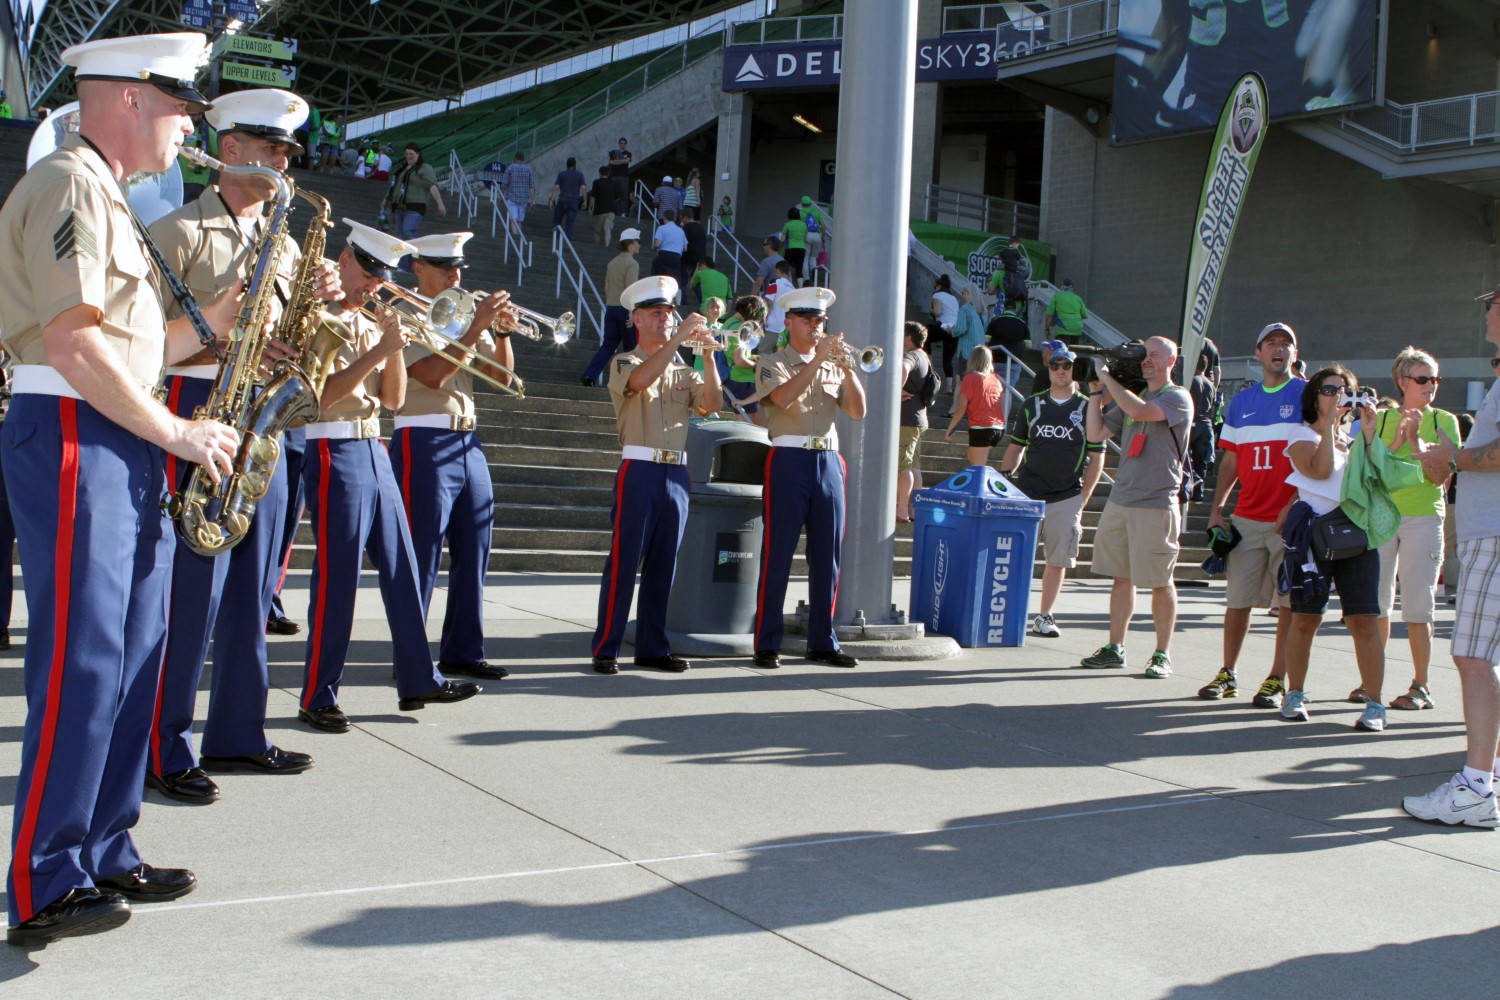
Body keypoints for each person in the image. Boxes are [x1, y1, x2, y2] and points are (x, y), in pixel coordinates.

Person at [1, 31, 244, 946]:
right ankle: (44, 876)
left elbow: (139, 347)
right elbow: (71, 343)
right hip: (76, 427)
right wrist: (177, 429)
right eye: (182, 105)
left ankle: (104, 845)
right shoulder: (70, 182)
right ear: (132, 98)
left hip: (121, 431)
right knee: (85, 658)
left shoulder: (109, 194)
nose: (189, 128)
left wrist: (220, 327)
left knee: (137, 649)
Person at [146, 88, 335, 804]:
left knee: (253, 588)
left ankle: (237, 733)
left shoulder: (284, 238)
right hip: (200, 408)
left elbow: (289, 336)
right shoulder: (178, 230)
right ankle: (165, 745)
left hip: (264, 417)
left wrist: (318, 302)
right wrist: (220, 341)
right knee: (194, 590)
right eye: (271, 149)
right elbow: (143, 345)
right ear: (229, 149)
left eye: (289, 152)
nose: (283, 162)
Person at [296, 220, 481, 733]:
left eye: (382, 278)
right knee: (338, 580)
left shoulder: (369, 320)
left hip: (374, 444)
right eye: (368, 272)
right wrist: (379, 351)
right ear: (345, 260)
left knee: (403, 569)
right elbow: (318, 398)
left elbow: (395, 400)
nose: (373, 286)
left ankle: (418, 677)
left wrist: (394, 343)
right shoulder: (317, 316)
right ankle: (318, 694)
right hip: (333, 443)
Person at [391, 232, 519, 685]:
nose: (456, 276)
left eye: (458, 268)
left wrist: (499, 332)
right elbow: (429, 374)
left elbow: (499, 374)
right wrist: (475, 328)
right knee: (421, 553)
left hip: (468, 441)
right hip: (422, 437)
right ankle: (410, 656)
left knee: (475, 549)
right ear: (418, 268)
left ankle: (464, 650)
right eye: (445, 267)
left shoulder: (464, 313)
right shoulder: (403, 312)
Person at [1278, 365, 1425, 730]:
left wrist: (1371, 436)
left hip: (1355, 535)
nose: (1338, 397)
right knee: (1305, 619)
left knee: (1364, 620)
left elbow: (1377, 479)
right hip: (1313, 538)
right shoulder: (1301, 433)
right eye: (1329, 391)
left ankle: (1375, 704)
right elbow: (1320, 471)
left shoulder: (1354, 436)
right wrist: (1329, 425)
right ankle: (1294, 693)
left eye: (1345, 391)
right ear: (1314, 396)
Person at [1402, 285, 1500, 826]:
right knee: (1486, 658)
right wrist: (1432, 455)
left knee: (1472, 656)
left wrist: (1455, 455)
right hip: (1489, 534)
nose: (1487, 310)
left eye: (1493, 302)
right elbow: (1446, 468)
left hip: (1494, 537)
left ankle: (1476, 788)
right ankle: (1487, 780)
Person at [591, 277, 720, 674]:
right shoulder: (623, 360)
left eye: (669, 312)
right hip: (640, 468)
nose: (666, 318)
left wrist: (710, 357)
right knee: (625, 562)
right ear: (636, 320)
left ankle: (652, 646)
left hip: (676, 470)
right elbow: (641, 381)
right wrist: (679, 337)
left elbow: (712, 404)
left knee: (665, 565)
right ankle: (606, 648)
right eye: (657, 313)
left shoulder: (683, 368)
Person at [752, 287, 868, 669]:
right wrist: (818, 359)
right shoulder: (772, 361)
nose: (815, 327)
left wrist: (848, 369)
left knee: (827, 557)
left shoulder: (833, 363)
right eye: (807, 320)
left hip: (829, 459)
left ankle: (822, 641)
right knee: (778, 554)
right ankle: (767, 642)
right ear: (788, 322)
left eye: (819, 321)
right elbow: (782, 399)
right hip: (788, 458)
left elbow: (857, 411)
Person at [1199, 322, 1305, 705]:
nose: (1279, 349)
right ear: (1258, 354)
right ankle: (1228, 672)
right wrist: (1217, 509)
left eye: (1285, 344)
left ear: (1295, 353)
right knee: (1237, 602)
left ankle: (1277, 677)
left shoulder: (1307, 395)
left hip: (1292, 521)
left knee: (1288, 605)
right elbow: (1230, 459)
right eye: (1271, 343)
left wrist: (1295, 505)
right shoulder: (1242, 401)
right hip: (1246, 516)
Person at [1082, 337, 1192, 678]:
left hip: (1156, 502)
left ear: (1172, 360)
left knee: (1161, 581)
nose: (1147, 359)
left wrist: (1110, 380)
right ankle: (1116, 647)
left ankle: (1162, 653)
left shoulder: (1177, 397)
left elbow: (1140, 413)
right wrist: (1096, 391)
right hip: (1122, 499)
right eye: (1145, 354)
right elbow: (1096, 432)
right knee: (1121, 578)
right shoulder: (1134, 396)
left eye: (1155, 354)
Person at [1371, 347, 1462, 711]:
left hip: (1424, 517)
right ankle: (1370, 680)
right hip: (1382, 518)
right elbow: (1371, 469)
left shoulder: (1445, 421)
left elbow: (1441, 476)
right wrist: (1397, 439)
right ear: (1402, 381)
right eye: (1423, 379)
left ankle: (1421, 685)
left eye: (1435, 379)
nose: (1431, 386)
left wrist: (1413, 441)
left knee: (1418, 606)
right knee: (1376, 604)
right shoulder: (1379, 419)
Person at [1001, 344, 1105, 637]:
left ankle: (1044, 615)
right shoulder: (1032, 404)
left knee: (1058, 560)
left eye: (1067, 365)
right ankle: (1008, 611)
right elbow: (1016, 447)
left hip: (1066, 494)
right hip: (1028, 493)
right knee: (1017, 557)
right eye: (1055, 365)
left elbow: (1097, 455)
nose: (1060, 370)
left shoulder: (1088, 406)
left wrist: (1084, 497)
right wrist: (1006, 481)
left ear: (1076, 370)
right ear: (1048, 370)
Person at [582, 228, 641, 387]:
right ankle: (628, 381)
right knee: (630, 348)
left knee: (608, 345)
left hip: (611, 307)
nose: (639, 244)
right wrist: (631, 310)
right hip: (625, 309)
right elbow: (630, 287)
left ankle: (590, 374)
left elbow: (606, 288)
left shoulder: (612, 263)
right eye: (638, 241)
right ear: (630, 244)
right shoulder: (632, 263)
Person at [946, 345, 1006, 465]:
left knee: (978, 469)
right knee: (972, 456)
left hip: (981, 428)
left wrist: (949, 429)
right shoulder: (995, 379)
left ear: (971, 360)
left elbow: (960, 409)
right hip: (999, 427)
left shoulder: (970, 378)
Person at [897, 322, 932, 522]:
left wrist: (895, 388)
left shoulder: (910, 356)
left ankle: (901, 510)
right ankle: (914, 509)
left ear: (908, 338)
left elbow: (903, 367)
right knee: (914, 466)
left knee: (904, 466)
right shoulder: (925, 357)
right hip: (919, 418)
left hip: (906, 419)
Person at [382, 142, 446, 242]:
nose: (408, 156)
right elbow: (394, 185)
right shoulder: (402, 168)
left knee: (408, 231)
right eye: (406, 154)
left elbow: (432, 186)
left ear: (418, 154)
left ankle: (419, 254)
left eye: (411, 154)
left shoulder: (424, 168)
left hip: (415, 206)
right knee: (400, 234)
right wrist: (386, 199)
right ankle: (405, 258)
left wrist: (440, 204)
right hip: (399, 206)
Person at [722, 294, 767, 426]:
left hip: (736, 379)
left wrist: (753, 358)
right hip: (741, 380)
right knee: (748, 426)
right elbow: (739, 360)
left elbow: (732, 353)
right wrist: (756, 365)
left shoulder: (729, 323)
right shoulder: (740, 328)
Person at [948, 287, 987, 416]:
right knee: (976, 382)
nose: (962, 294)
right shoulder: (982, 313)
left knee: (960, 380)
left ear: (969, 294)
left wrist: (950, 330)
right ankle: (974, 410)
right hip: (979, 353)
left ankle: (954, 409)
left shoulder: (965, 309)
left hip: (966, 351)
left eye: (964, 292)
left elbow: (960, 329)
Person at [928, 274, 959, 394]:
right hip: (954, 330)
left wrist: (931, 310)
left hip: (942, 327)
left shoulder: (937, 295)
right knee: (947, 359)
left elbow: (937, 312)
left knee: (924, 336)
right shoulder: (954, 298)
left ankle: (930, 367)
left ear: (939, 286)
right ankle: (949, 387)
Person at [549, 156, 588, 239]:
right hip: (574, 201)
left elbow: (556, 187)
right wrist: (585, 201)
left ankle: (557, 239)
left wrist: (551, 200)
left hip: (563, 199)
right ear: (575, 165)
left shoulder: (561, 174)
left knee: (557, 221)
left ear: (567, 165)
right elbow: (584, 188)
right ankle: (568, 242)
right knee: (570, 222)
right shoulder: (580, 174)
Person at [499, 151, 534, 235]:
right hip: (524, 198)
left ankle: (515, 235)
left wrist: (501, 196)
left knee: (513, 218)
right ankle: (519, 235)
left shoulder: (510, 168)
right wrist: (533, 200)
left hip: (512, 197)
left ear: (515, 158)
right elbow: (532, 186)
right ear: (524, 159)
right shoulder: (529, 169)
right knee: (519, 219)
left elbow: (504, 184)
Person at [763, 260, 796, 345]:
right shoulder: (793, 288)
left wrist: (763, 319)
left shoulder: (774, 283)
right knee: (780, 355)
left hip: (772, 325)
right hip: (785, 327)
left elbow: (769, 303)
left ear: (777, 270)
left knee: (764, 352)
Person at [1045, 278, 1088, 342]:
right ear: (1072, 288)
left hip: (1062, 328)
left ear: (1064, 286)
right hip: (1076, 328)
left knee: (1062, 350)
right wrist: (1074, 321)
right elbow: (1085, 315)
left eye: (1062, 285)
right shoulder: (1078, 298)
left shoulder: (1057, 296)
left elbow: (1049, 315)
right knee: (1073, 350)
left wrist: (1046, 329)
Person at [651, 210, 686, 285]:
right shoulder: (681, 231)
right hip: (676, 258)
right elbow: (685, 248)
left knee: (660, 277)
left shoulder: (661, 228)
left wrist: (653, 248)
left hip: (664, 256)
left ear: (664, 217)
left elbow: (657, 244)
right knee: (674, 280)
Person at [799, 196, 825, 284]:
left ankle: (806, 279)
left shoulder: (800, 212)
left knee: (805, 258)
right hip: (817, 236)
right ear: (810, 204)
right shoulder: (816, 212)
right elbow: (823, 226)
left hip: (806, 235)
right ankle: (814, 274)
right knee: (813, 256)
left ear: (802, 204)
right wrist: (823, 237)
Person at [589, 166, 617, 245]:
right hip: (611, 211)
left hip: (599, 211)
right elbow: (617, 197)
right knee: (607, 229)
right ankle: (607, 246)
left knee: (597, 231)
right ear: (608, 173)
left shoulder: (596, 182)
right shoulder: (613, 183)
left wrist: (590, 208)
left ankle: (596, 247)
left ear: (599, 173)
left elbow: (593, 196)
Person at [781, 207, 808, 287]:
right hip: (801, 248)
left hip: (790, 248)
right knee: (799, 269)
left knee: (786, 267)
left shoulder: (787, 225)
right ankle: (800, 287)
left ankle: (789, 285)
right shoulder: (804, 225)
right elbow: (806, 239)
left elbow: (782, 239)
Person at [680, 208, 708, 277]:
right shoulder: (701, 227)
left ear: (686, 217)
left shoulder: (686, 228)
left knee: (684, 281)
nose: (682, 221)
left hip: (688, 259)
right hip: (700, 259)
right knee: (697, 283)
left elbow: (683, 243)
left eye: (682, 218)